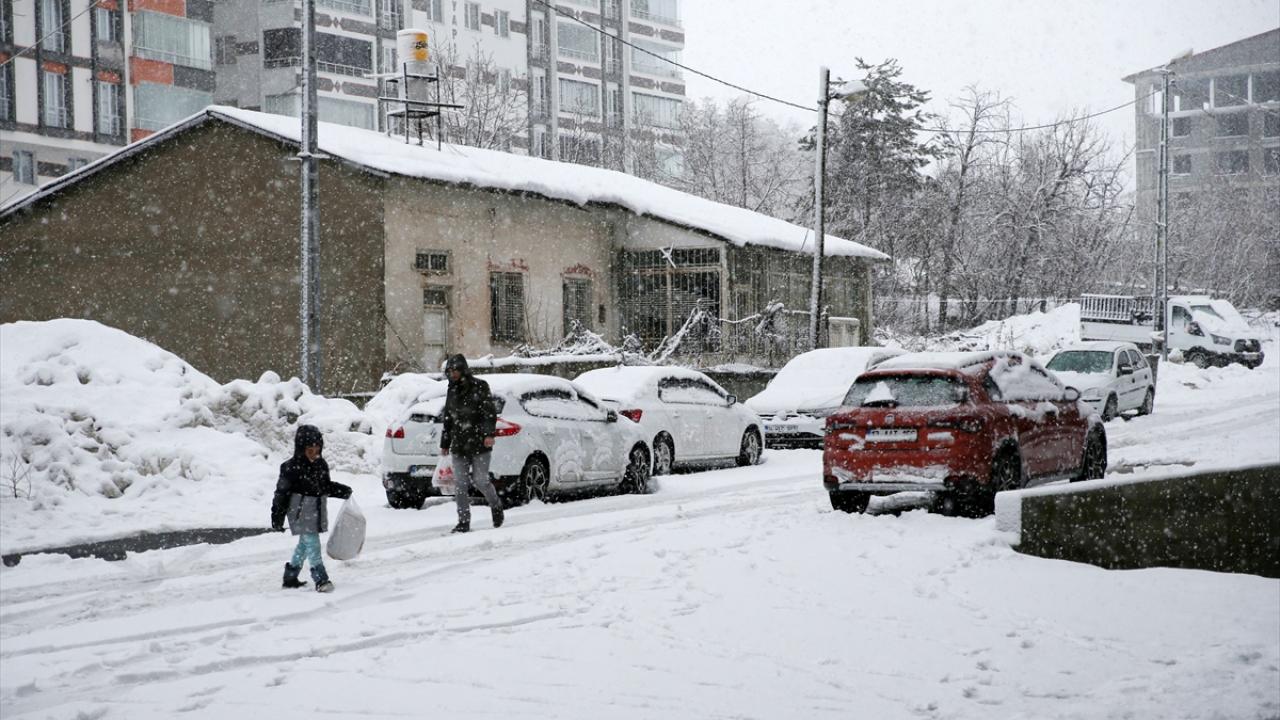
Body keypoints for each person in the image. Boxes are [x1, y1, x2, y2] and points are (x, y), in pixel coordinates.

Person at [271, 424, 352, 592]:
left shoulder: (321, 465)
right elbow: (281, 494)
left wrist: (342, 491)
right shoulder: (290, 467)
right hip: (299, 512)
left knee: (304, 544)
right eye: (310, 448)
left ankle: (290, 576)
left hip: (316, 510)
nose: (314, 451)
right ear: (301, 448)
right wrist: (277, 517)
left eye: (317, 447)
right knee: (313, 544)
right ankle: (321, 579)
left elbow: (325, 487)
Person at [439, 354, 503, 533]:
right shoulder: (451, 390)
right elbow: (448, 418)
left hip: (479, 442)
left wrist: (488, 434)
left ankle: (496, 505)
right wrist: (445, 442)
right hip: (459, 444)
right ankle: (463, 521)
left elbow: (489, 413)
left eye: (454, 370)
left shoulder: (480, 387)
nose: (452, 374)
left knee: (481, 480)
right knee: (460, 483)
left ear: (462, 370)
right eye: (449, 371)